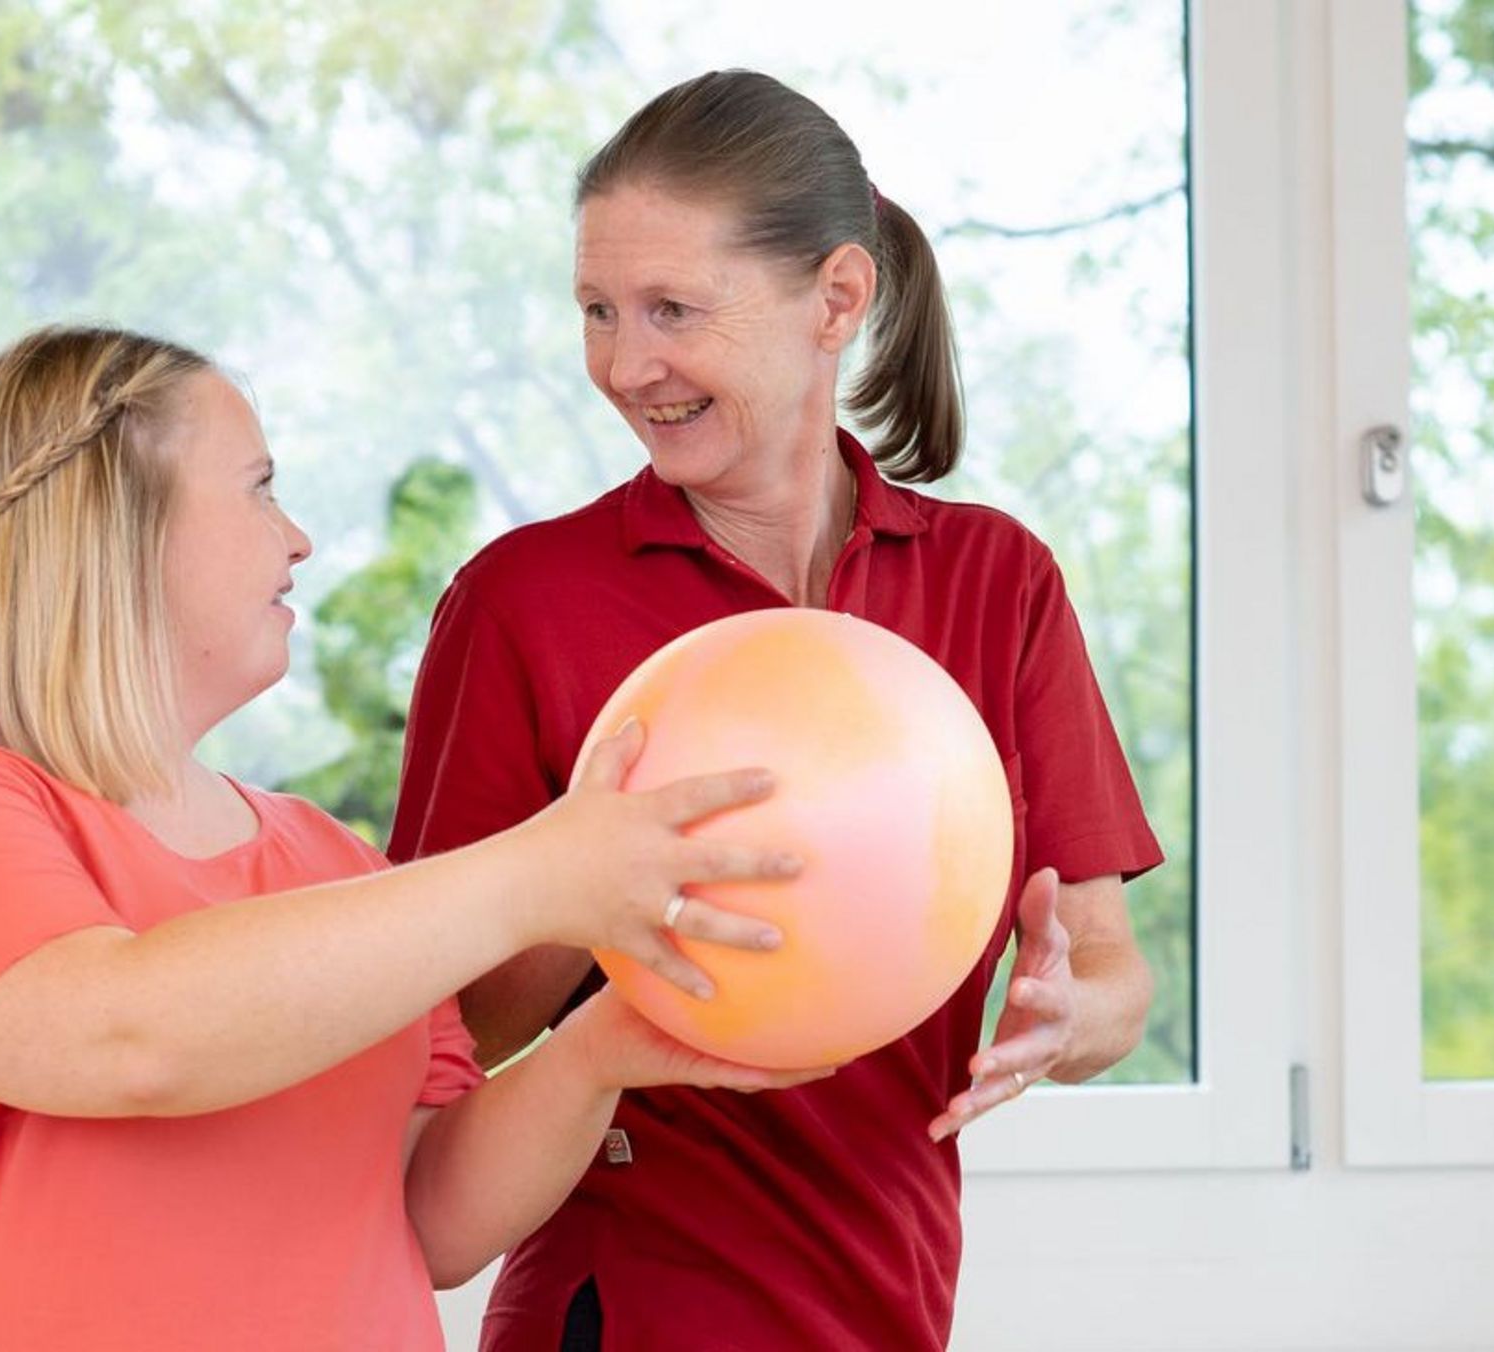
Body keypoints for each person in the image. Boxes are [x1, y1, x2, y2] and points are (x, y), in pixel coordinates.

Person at [0, 325, 830, 1351]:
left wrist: (606, 1045)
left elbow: (431, 1214)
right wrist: (542, 871)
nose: (298, 536)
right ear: (117, 518)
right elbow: (130, 1035)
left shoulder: (325, 858)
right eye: (260, 484)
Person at [388, 70, 1165, 1350]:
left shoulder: (995, 581)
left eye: (672, 310)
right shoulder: (525, 602)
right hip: (623, 1303)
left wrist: (1064, 1017)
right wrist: (578, 883)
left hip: (892, 1292)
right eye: (597, 311)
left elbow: (1112, 972)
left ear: (838, 299)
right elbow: (443, 1028)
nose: (626, 365)